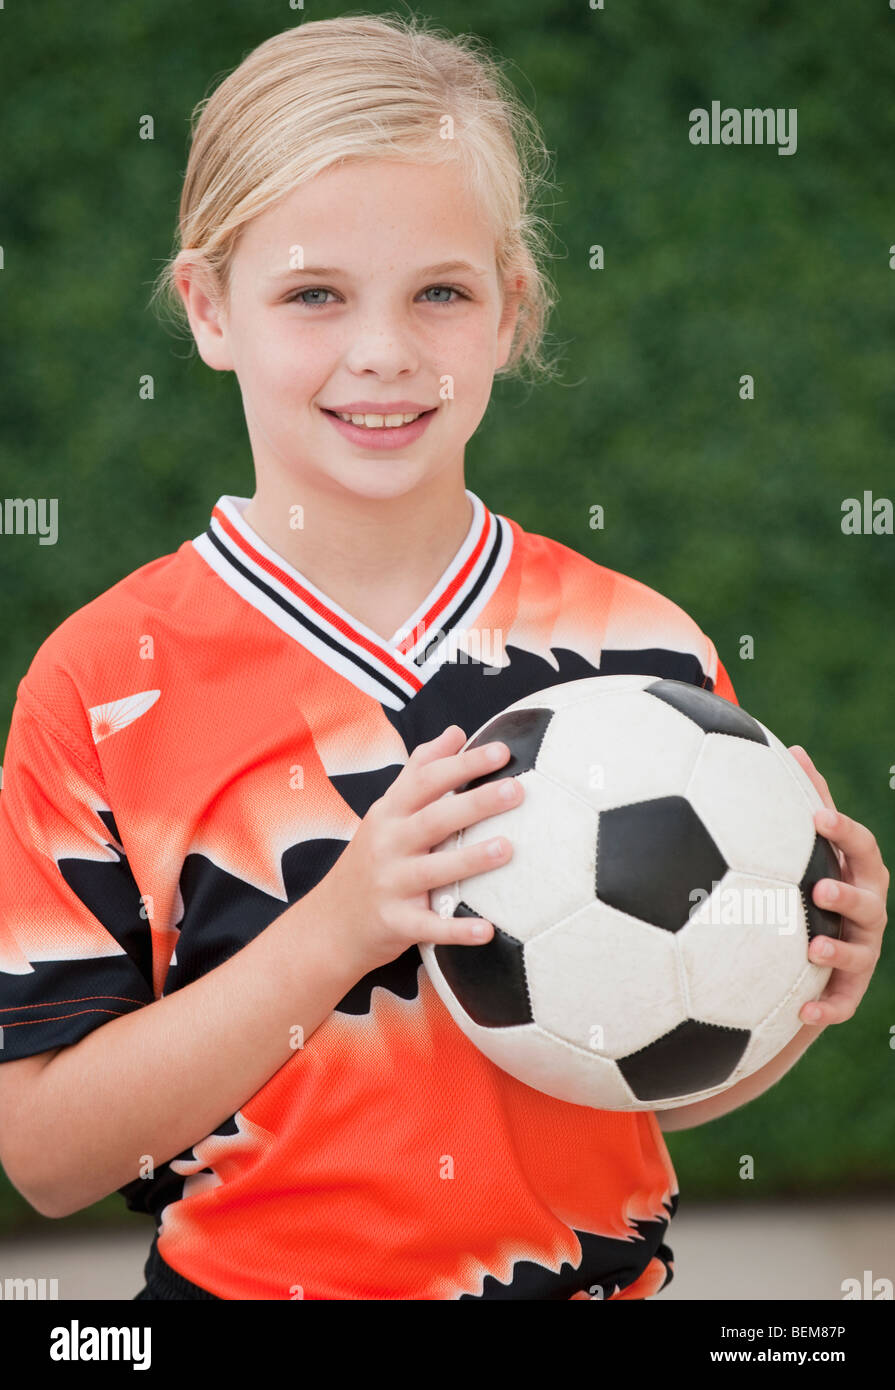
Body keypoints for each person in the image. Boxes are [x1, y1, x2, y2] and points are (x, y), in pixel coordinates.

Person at [0, 13, 887, 1302]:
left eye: (441, 292)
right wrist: (338, 931)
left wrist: (801, 993)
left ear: (510, 310)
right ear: (208, 309)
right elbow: (44, 1157)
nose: (384, 351)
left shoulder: (643, 658)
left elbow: (644, 1073)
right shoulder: (101, 681)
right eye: (314, 294)